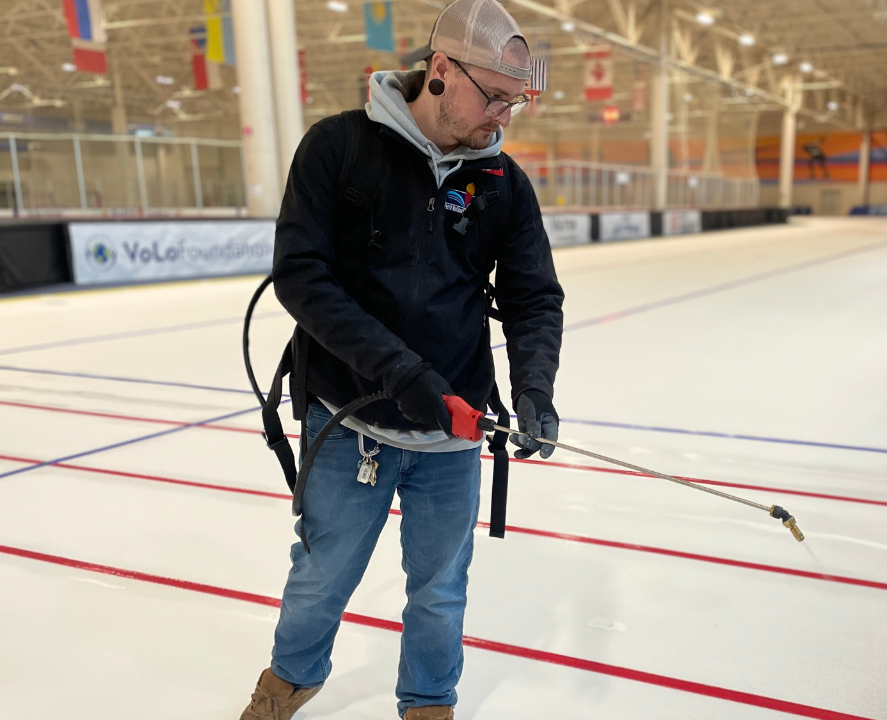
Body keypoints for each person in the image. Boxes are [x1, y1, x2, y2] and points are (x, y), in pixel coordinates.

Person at [238, 1, 564, 718]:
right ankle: (286, 685)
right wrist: (405, 376)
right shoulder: (337, 149)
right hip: (347, 415)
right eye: (494, 97)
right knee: (322, 574)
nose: (503, 119)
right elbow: (302, 279)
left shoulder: (503, 185)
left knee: (441, 585)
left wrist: (535, 388)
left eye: (516, 103)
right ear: (441, 69)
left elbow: (535, 298)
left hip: (452, 431)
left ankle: (428, 703)